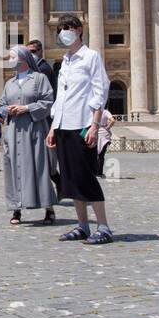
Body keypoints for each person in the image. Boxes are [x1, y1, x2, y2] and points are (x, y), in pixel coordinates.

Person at [46, 14, 113, 244]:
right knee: (70, 179)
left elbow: (100, 90)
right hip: (64, 125)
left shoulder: (91, 56)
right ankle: (82, 225)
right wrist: (54, 126)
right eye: (60, 28)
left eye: (67, 27)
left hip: (83, 124)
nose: (63, 32)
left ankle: (103, 227)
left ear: (79, 29)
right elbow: (61, 96)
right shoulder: (65, 60)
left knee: (86, 178)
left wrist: (95, 125)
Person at [0, 46, 56, 225]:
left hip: (35, 128)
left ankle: (48, 207)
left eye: (13, 56)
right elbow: (1, 105)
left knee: (39, 166)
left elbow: (48, 101)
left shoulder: (40, 78)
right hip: (14, 129)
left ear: (23, 58)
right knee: (13, 168)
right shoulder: (9, 83)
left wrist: (27, 108)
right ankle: (16, 209)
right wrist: (8, 109)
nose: (10, 59)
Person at [27, 39, 59, 189]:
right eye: (28, 53)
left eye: (33, 52)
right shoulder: (35, 68)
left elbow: (43, 96)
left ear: (40, 52)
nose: (30, 55)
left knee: (44, 156)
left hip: (43, 118)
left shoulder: (43, 69)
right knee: (41, 156)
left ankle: (59, 185)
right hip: (39, 116)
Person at [96, 108, 116, 178]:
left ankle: (93, 172)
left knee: (93, 155)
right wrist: (108, 127)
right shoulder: (105, 112)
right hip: (103, 134)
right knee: (101, 155)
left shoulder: (93, 111)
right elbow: (113, 120)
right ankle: (99, 173)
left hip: (94, 132)